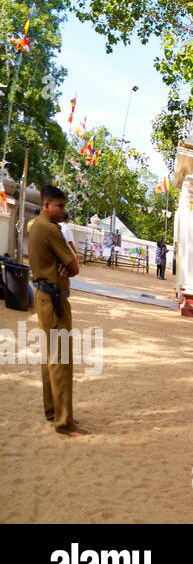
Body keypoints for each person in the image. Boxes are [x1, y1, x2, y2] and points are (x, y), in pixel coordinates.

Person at [26, 185, 89, 437]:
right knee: (61, 359)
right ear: (46, 205)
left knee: (50, 358)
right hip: (54, 299)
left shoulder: (36, 225)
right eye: (59, 206)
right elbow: (74, 267)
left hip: (44, 296)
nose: (63, 211)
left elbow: (69, 266)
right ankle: (64, 423)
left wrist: (66, 265)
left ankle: (53, 411)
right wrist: (67, 265)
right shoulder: (51, 229)